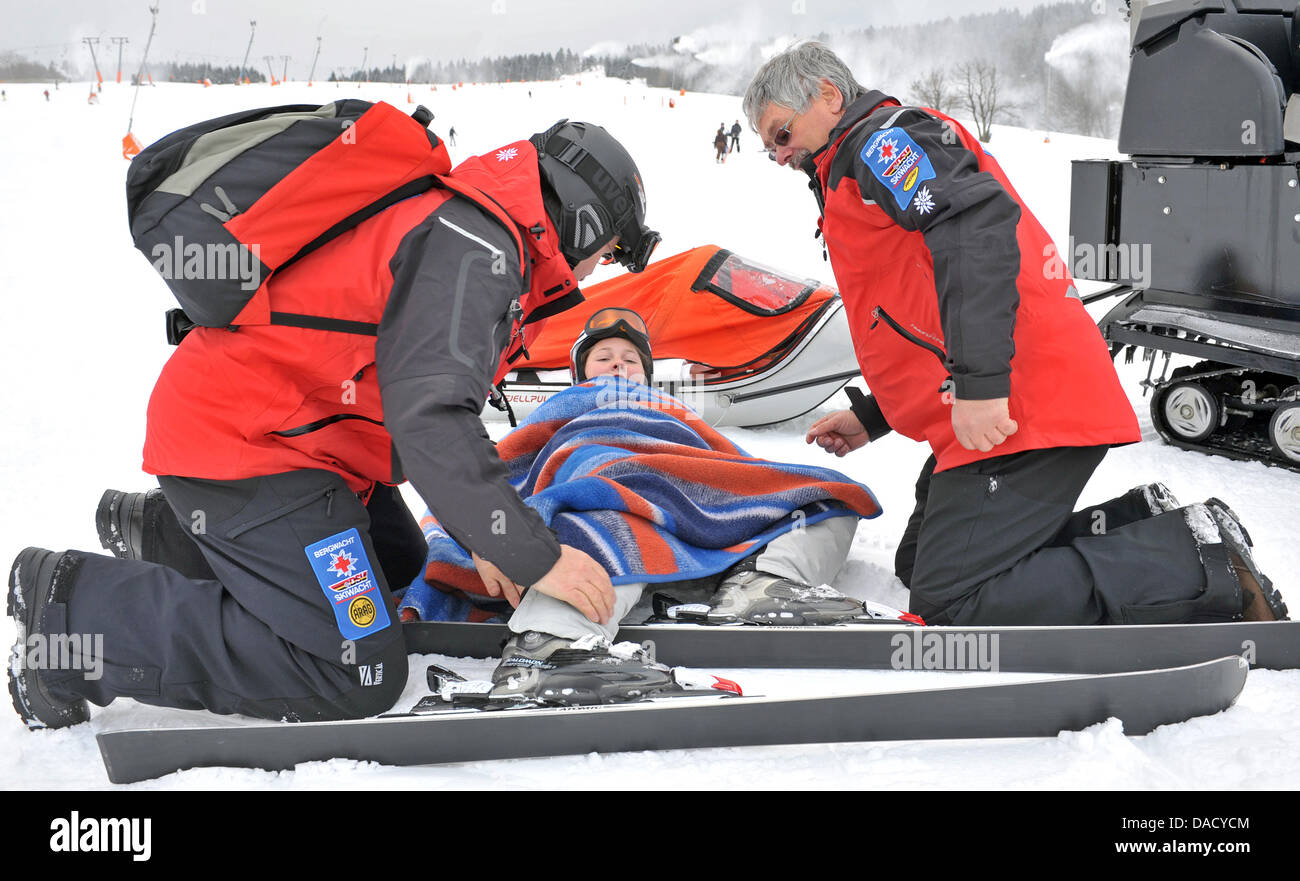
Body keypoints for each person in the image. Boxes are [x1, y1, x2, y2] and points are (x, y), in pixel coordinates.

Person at [8, 120, 661, 730]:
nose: (596, 267)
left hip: (313, 447)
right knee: (357, 668)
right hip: (253, 447)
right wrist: (534, 553)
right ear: (581, 218)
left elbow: (433, 404)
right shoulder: (476, 246)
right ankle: (68, 617)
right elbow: (430, 416)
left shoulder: (473, 228)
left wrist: (488, 531)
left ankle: (174, 536)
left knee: (401, 580)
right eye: (605, 250)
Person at [742, 41, 1287, 627]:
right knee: (921, 561)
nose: (778, 154)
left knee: (952, 601)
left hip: (1023, 402)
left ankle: (1201, 563)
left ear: (827, 96)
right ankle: (1140, 524)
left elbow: (975, 228)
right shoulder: (851, 167)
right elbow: (914, 311)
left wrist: (980, 387)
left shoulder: (885, 142)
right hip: (1000, 393)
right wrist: (876, 415)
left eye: (780, 133)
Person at [401, 307, 886, 703]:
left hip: (681, 494)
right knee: (606, 513)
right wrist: (498, 529)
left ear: (649, 375)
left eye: (630, 359)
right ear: (579, 375)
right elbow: (511, 467)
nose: (618, 366)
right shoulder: (565, 405)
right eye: (604, 358)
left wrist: (754, 487)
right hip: (602, 493)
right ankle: (548, 646)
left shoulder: (669, 409)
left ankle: (764, 582)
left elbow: (717, 458)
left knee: (821, 495)